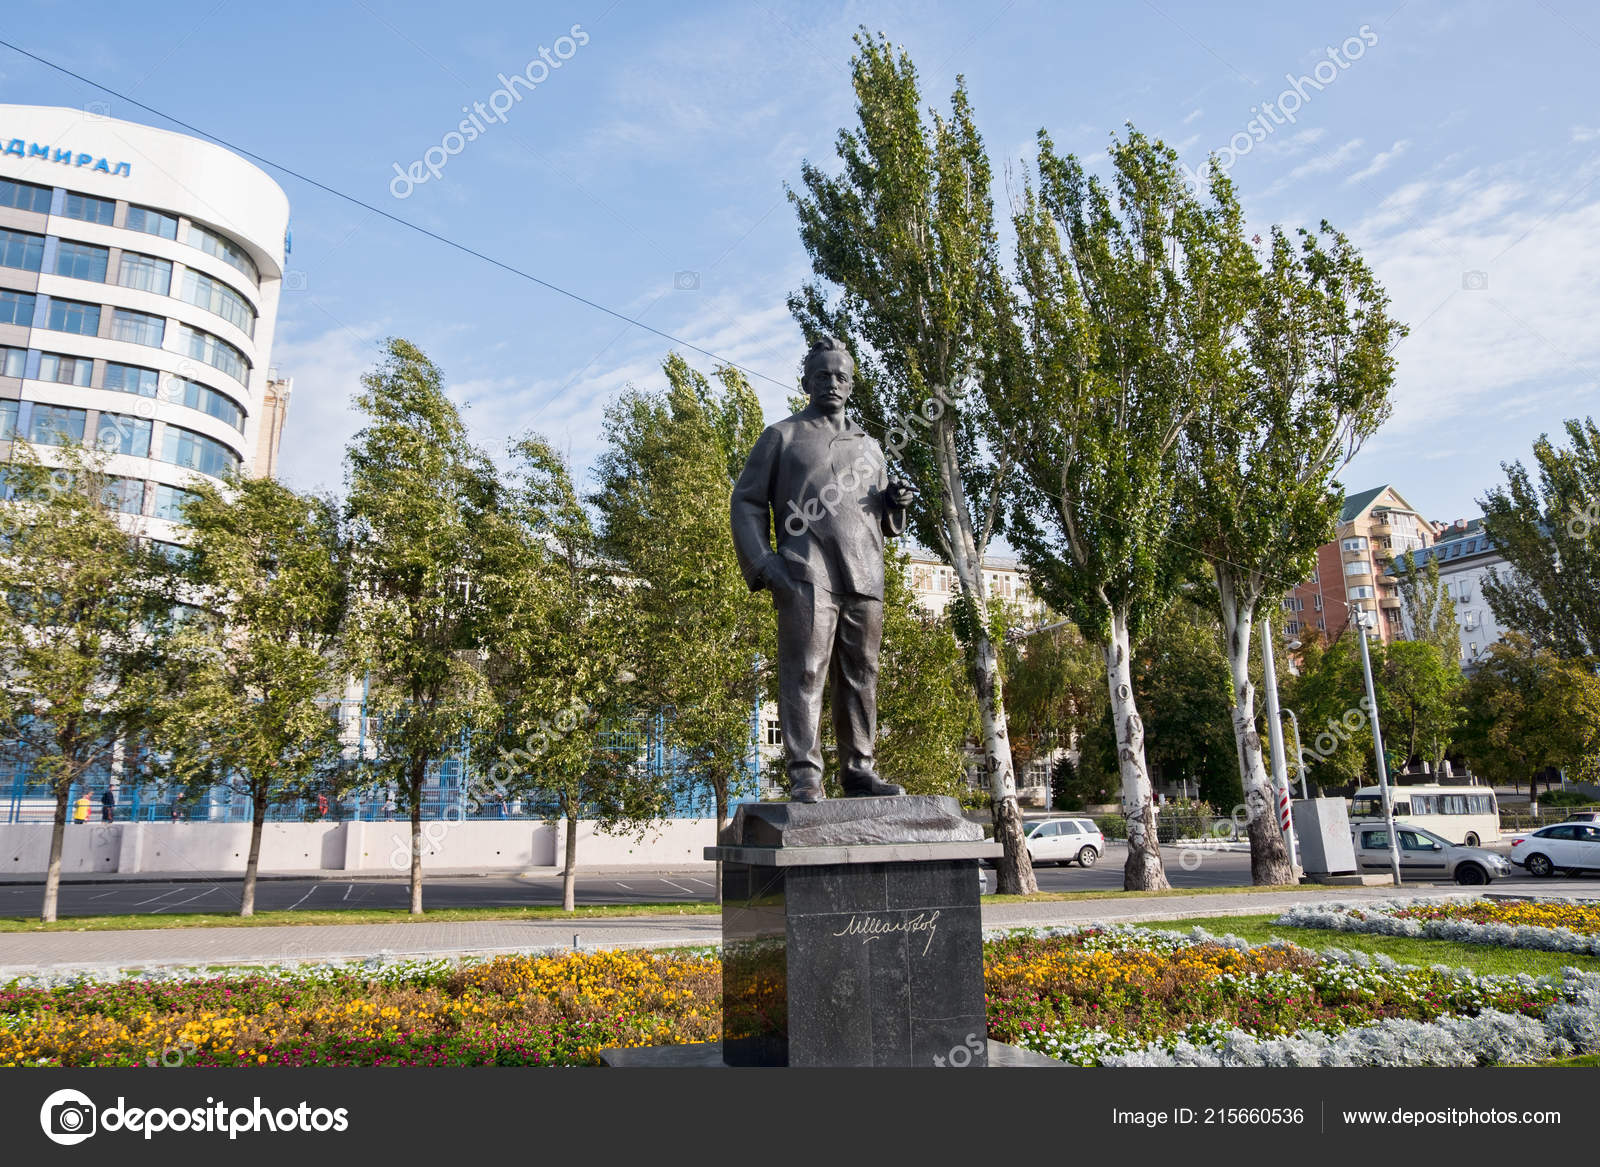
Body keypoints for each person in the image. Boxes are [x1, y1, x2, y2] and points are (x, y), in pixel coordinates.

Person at [730, 335, 918, 803]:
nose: (831, 383)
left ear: (852, 384)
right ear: (806, 381)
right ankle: (805, 774)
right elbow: (747, 501)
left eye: (840, 376)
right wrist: (763, 562)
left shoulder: (871, 447)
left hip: (864, 573)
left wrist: (897, 503)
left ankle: (859, 770)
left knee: (862, 674)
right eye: (822, 375)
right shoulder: (783, 435)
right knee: (806, 672)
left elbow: (883, 518)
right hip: (805, 569)